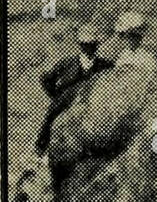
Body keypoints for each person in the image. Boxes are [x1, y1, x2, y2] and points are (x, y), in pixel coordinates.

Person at [35, 23, 112, 155]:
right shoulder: (67, 63)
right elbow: (46, 79)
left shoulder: (105, 65)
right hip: (68, 101)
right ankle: (40, 149)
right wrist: (57, 96)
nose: (88, 48)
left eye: (92, 44)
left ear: (97, 45)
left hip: (94, 103)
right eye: (85, 44)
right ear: (80, 45)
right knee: (52, 114)